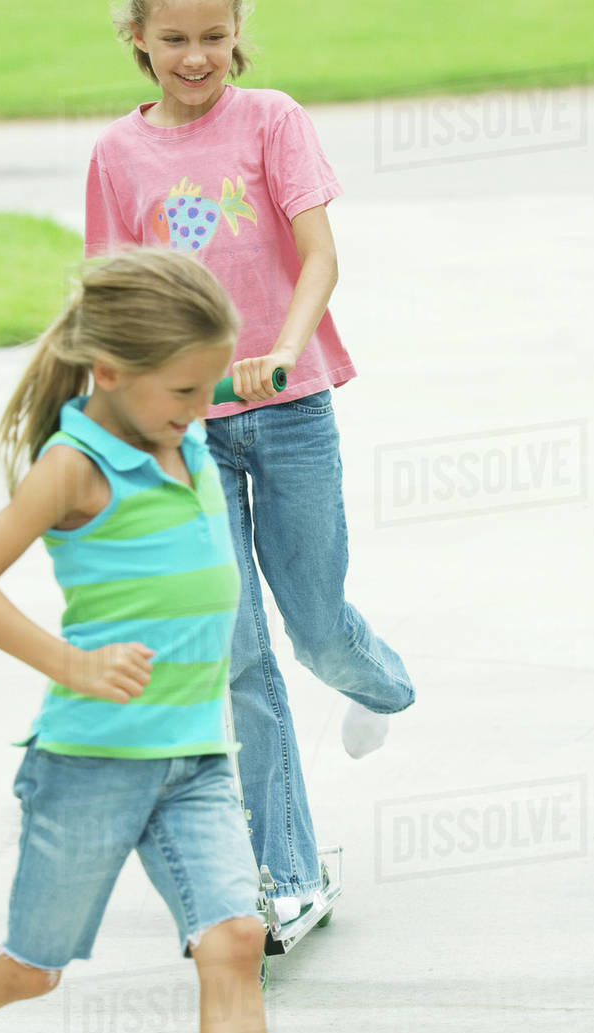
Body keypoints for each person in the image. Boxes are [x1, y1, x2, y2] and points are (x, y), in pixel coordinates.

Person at [0, 250, 380, 1033]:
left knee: (234, 940)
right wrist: (71, 665)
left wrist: (253, 370)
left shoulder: (175, 418)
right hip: (91, 765)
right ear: (109, 373)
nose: (199, 407)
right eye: (184, 391)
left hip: (195, 757)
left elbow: (214, 381)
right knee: (29, 971)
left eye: (205, 384)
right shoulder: (74, 466)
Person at [85, 0, 416, 924]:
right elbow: (117, 296)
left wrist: (282, 350)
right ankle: (287, 875)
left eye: (213, 36)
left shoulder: (272, 119)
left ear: (237, 33)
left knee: (316, 627)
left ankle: (380, 686)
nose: (196, 57)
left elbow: (318, 256)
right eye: (175, 39)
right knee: (237, 653)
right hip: (186, 428)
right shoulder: (116, 154)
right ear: (138, 38)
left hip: (290, 405)